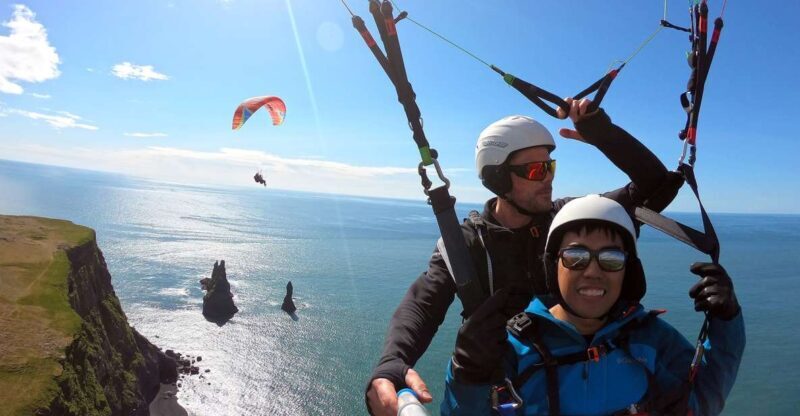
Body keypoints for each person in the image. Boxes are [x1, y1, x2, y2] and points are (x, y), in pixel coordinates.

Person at [366, 99, 684, 415]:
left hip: (583, 382)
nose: (548, 178)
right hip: (511, 393)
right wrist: (393, 362)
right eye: (535, 170)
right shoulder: (469, 244)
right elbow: (423, 304)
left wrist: (602, 132)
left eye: (550, 166)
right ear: (499, 178)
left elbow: (655, 186)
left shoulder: (569, 221)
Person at [441, 195, 745, 415]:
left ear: (628, 272)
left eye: (611, 259)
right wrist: (467, 373)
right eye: (576, 257)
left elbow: (702, 400)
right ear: (552, 267)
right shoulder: (513, 348)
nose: (593, 271)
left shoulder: (650, 340)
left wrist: (726, 321)